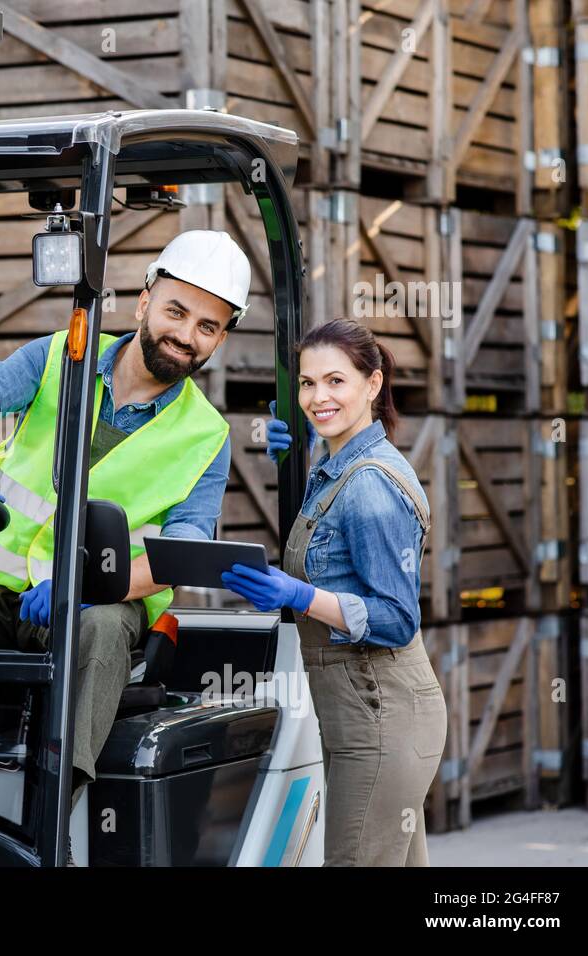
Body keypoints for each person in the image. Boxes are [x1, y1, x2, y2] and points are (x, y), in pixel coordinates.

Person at [0, 230, 250, 803]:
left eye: (207, 328)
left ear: (221, 338)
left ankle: (56, 813)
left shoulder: (208, 436)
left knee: (102, 632)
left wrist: (84, 586)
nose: (185, 336)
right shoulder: (61, 354)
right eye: (177, 312)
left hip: (96, 602)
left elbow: (183, 552)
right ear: (145, 300)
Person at [221, 318, 447, 866]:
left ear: (372, 385)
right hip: (361, 715)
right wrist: (293, 457)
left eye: (336, 382)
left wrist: (297, 596)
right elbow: (336, 551)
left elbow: (396, 618)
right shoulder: (336, 464)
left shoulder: (369, 484)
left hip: (380, 714)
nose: (318, 396)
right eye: (307, 383)